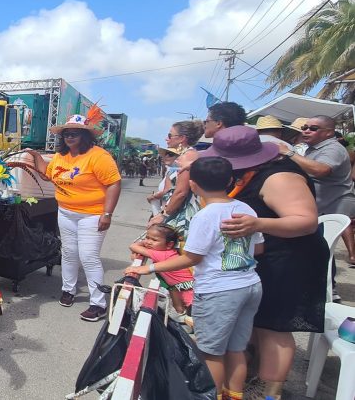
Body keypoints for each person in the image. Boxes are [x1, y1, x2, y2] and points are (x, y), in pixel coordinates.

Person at [201, 126, 327, 399]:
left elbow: (306, 222)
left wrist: (257, 223)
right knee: (257, 321)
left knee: (274, 325)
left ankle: (270, 390)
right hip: (265, 255)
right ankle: (254, 375)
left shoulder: (280, 177)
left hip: (290, 259)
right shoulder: (253, 173)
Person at [127, 156, 263, 399]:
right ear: (231, 181)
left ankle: (210, 396)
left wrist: (148, 269)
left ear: (193, 185)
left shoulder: (205, 215)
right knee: (236, 349)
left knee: (211, 353)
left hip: (219, 290)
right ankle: (234, 394)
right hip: (250, 284)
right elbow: (259, 248)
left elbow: (191, 258)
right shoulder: (245, 208)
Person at [40, 112, 122, 322]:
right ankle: (68, 290)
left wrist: (107, 213)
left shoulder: (99, 156)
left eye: (75, 133)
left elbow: (113, 184)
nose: (70, 137)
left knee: (88, 256)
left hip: (92, 215)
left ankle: (98, 303)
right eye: (67, 133)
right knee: (68, 253)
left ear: (86, 136)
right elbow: (48, 174)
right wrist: (31, 156)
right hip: (66, 212)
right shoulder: (60, 155)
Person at [280, 115, 355, 268]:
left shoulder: (333, 148)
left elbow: (321, 169)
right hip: (321, 205)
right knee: (317, 248)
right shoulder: (313, 148)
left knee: (323, 249)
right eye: (304, 128)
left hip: (333, 203)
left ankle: (330, 288)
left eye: (313, 128)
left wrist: (289, 153)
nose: (306, 131)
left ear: (329, 133)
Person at [149, 120, 204, 240]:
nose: (166, 138)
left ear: (182, 138)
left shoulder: (187, 157)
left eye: (170, 135)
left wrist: (163, 215)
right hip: (174, 210)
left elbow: (180, 192)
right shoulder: (183, 155)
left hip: (182, 214)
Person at [128, 223, 194, 321]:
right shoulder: (171, 252)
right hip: (187, 292)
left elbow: (133, 246)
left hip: (192, 300)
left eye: (154, 240)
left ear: (169, 244)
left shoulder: (161, 254)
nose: (148, 242)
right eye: (147, 238)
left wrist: (141, 245)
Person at [146, 147, 182, 215]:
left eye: (170, 154)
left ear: (178, 157)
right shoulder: (170, 170)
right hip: (162, 208)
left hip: (169, 211)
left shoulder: (178, 172)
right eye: (166, 154)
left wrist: (154, 196)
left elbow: (170, 191)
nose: (167, 156)